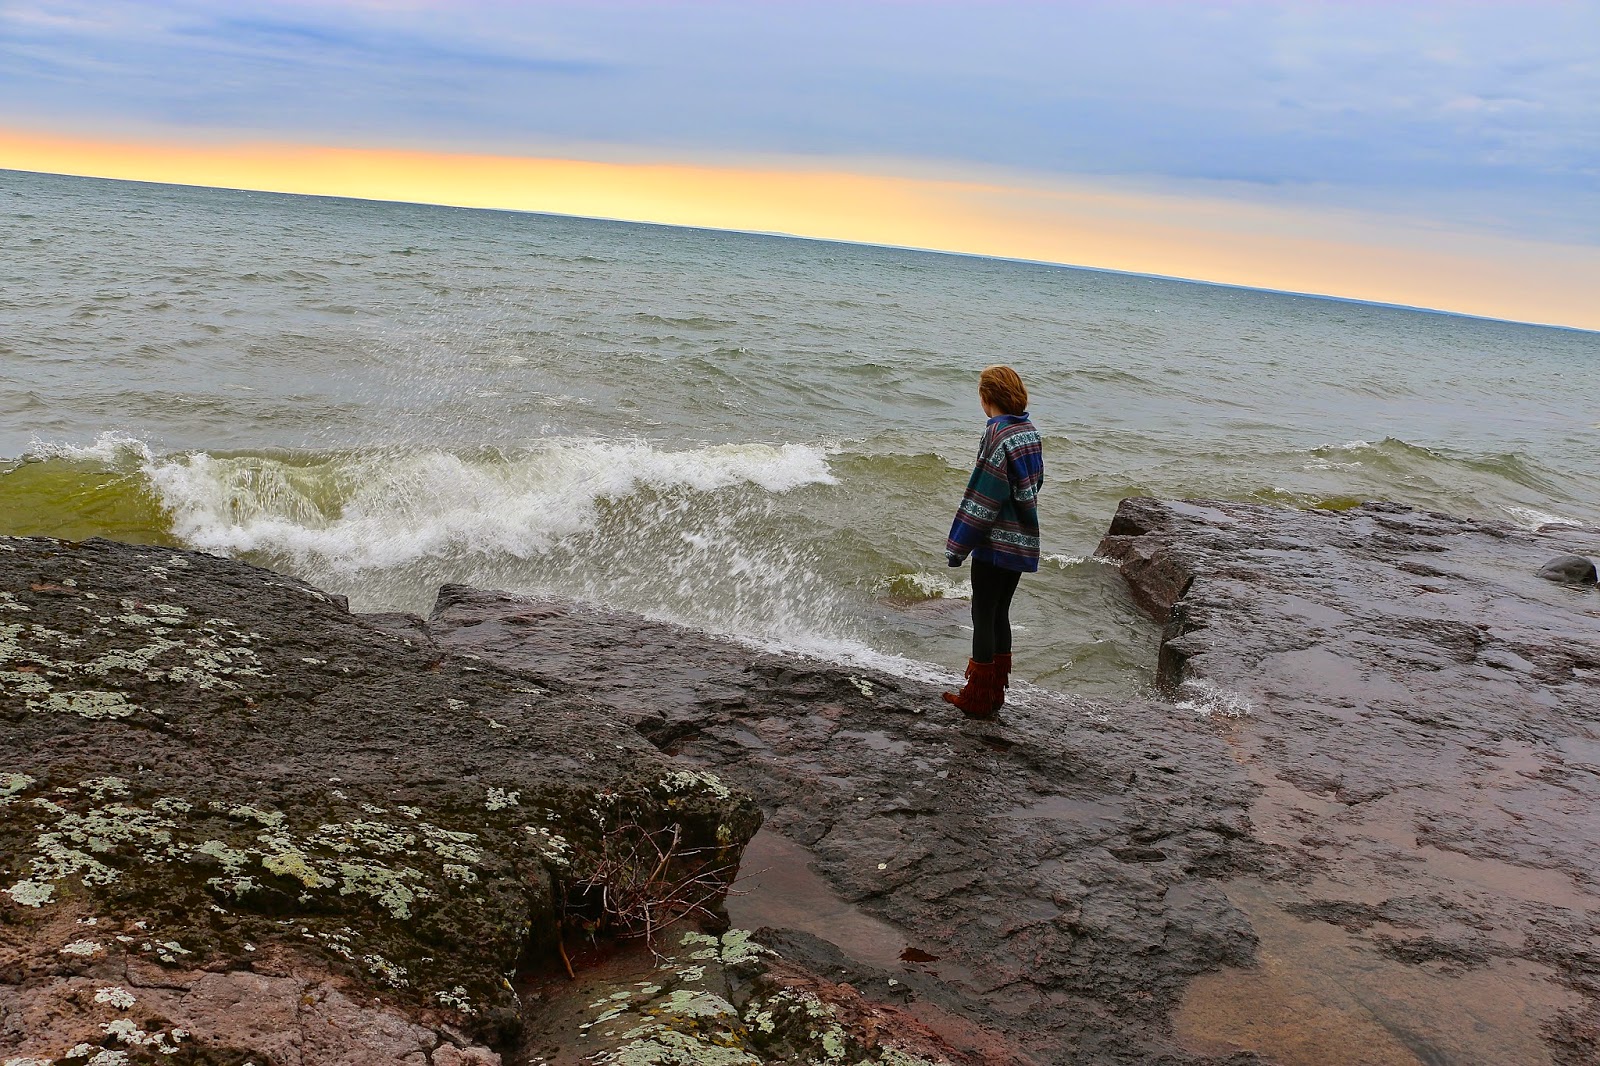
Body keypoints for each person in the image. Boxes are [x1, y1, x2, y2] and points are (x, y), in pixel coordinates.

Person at [942, 365, 1044, 718]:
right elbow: (1034, 484)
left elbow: (985, 495)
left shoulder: (997, 435)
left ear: (986, 398)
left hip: (994, 543)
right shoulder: (1029, 431)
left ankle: (977, 700)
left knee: (981, 613)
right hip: (1023, 540)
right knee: (1001, 613)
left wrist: (958, 545)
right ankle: (995, 695)